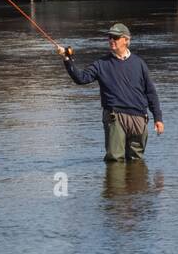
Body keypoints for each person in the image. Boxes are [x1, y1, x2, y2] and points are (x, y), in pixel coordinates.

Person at [60, 23, 165, 162]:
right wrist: (67, 60)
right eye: (110, 37)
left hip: (139, 118)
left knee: (137, 161)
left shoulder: (139, 63)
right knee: (115, 160)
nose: (111, 40)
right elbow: (81, 78)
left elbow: (150, 92)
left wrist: (158, 118)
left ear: (126, 40)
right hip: (115, 117)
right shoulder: (101, 64)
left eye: (115, 37)